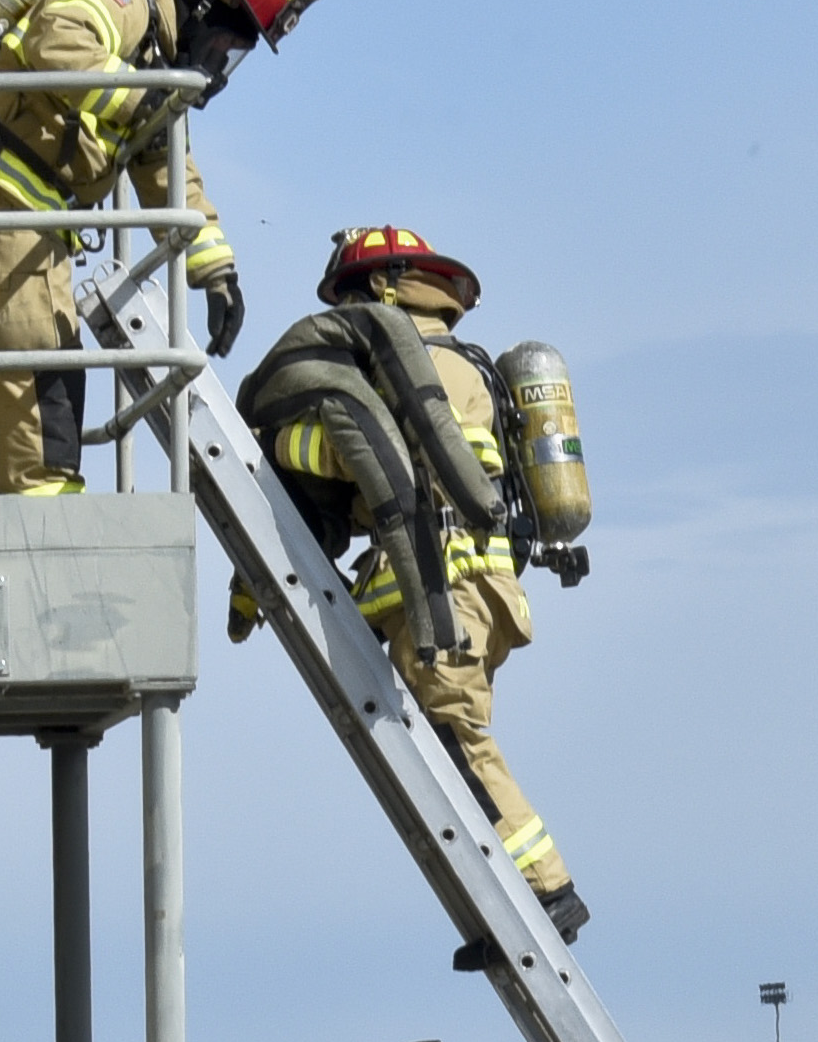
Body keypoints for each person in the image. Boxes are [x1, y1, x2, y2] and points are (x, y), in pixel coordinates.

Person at [233, 226, 590, 962]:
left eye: (354, 296)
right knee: (444, 744)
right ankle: (509, 905)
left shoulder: (417, 366)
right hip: (460, 587)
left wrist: (279, 448)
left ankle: (547, 898)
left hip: (449, 588)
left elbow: (377, 455)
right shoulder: (456, 362)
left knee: (458, 743)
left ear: (382, 291)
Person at [0, 0, 315, 495]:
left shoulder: (153, 64)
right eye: (224, 46)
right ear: (204, 6)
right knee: (39, 358)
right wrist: (138, 97)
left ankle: (15, 509)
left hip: (30, 218)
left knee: (36, 366)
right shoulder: (124, 1)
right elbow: (57, 38)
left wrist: (216, 274)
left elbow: (171, 175)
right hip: (1, 195)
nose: (218, 66)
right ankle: (48, 509)